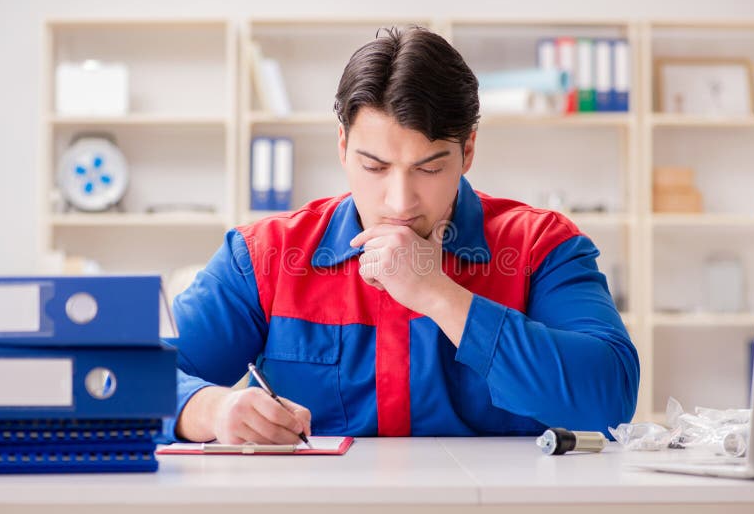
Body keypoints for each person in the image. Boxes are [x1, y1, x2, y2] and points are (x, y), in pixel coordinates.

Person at [165, 26, 639, 445]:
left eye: (428, 169)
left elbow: (610, 398)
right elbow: (131, 378)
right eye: (374, 167)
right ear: (343, 147)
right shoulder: (264, 256)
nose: (399, 202)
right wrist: (211, 410)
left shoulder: (540, 246)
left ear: (468, 151)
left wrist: (440, 296)